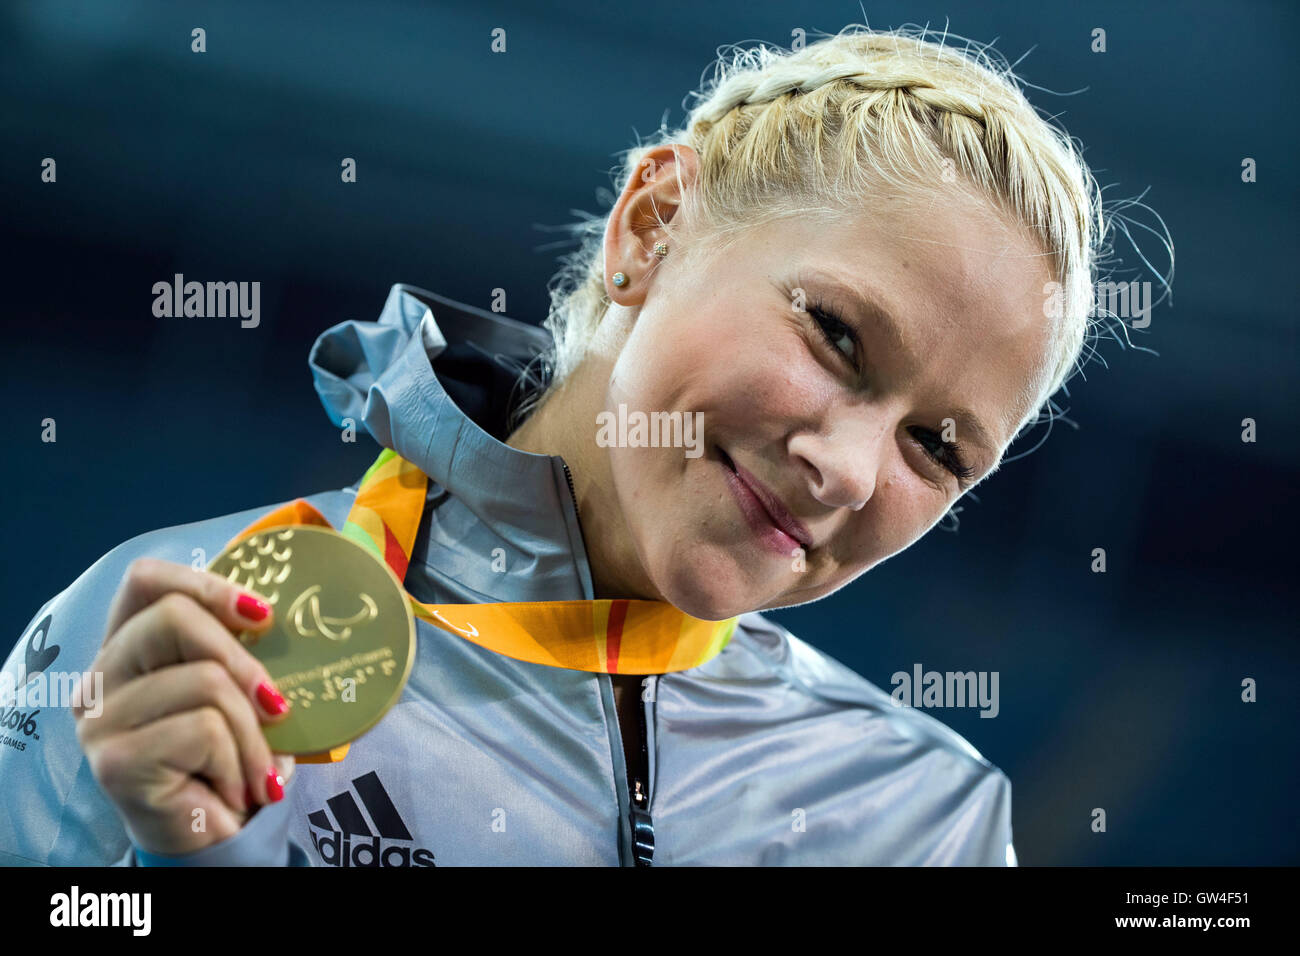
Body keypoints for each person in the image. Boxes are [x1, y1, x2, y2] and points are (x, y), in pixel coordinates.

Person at [0, 25, 1133, 866]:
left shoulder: (917, 817)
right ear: (651, 225)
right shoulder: (166, 637)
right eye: (836, 335)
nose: (846, 467)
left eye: (936, 447)